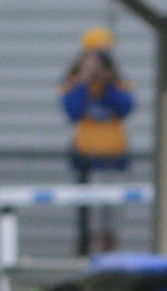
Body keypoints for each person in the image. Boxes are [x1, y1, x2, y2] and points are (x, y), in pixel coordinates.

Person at [63, 27, 135, 253]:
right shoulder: (74, 82)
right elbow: (72, 111)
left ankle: (111, 262)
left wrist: (107, 83)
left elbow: (126, 107)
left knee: (111, 222)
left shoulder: (117, 83)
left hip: (114, 159)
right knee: (85, 222)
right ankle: (83, 262)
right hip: (85, 160)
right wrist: (85, 80)